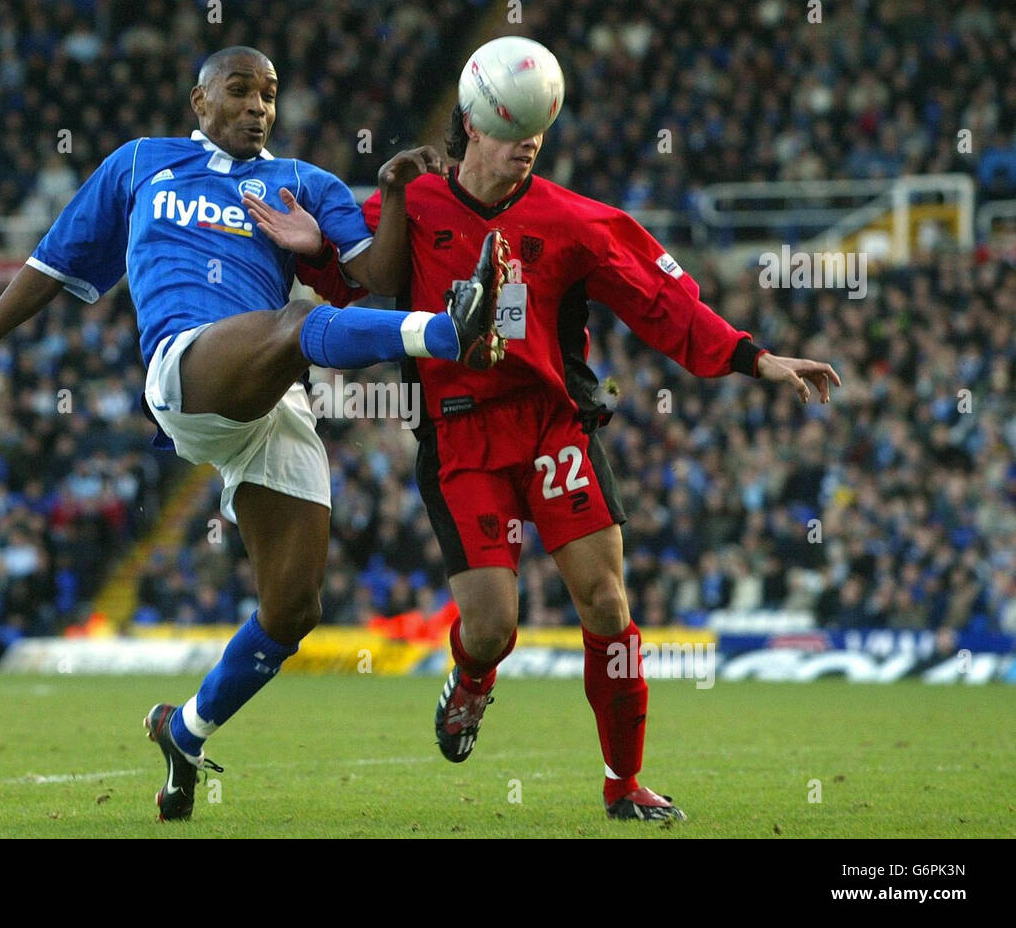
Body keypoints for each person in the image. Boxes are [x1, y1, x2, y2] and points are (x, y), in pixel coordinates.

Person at [0, 46, 507, 822]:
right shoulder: (138, 166)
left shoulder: (306, 183)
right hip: (187, 370)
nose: (259, 106)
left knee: (293, 611)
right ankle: (447, 332)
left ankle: (183, 730)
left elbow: (381, 277)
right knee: (298, 321)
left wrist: (392, 190)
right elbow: (49, 268)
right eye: (240, 90)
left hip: (265, 400)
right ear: (200, 101)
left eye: (269, 94)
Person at [296, 77, 841, 822]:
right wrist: (308, 255)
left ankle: (624, 783)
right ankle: (473, 676)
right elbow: (355, 271)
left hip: (553, 425)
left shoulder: (575, 219)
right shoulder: (415, 204)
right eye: (512, 123)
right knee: (491, 627)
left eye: (538, 128)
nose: (527, 140)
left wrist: (754, 357)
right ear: (471, 125)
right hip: (460, 432)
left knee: (608, 605)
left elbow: (662, 298)